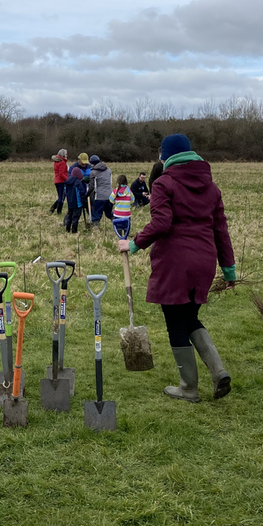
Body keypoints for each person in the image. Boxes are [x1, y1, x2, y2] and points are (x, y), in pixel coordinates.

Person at [120, 134, 236, 403]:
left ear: (167, 156)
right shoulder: (212, 187)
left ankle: (188, 388)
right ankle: (218, 372)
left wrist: (134, 244)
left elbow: (162, 223)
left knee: (175, 322)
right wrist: (229, 271)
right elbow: (221, 230)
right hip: (204, 262)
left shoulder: (164, 183)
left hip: (175, 263)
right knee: (190, 317)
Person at [63, 153, 88, 234]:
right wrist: (84, 203)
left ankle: (67, 230)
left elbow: (65, 192)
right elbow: (81, 193)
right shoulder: (78, 183)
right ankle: (74, 231)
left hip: (70, 203)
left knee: (69, 216)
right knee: (75, 218)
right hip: (78, 204)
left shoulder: (67, 183)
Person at [89, 154, 114, 225]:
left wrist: (87, 195)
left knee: (96, 214)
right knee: (109, 213)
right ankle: (117, 224)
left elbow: (92, 187)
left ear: (92, 164)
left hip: (99, 196)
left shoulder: (93, 172)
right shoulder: (108, 170)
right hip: (110, 195)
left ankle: (95, 228)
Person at [109, 174, 133, 240]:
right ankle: (125, 243)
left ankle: (120, 243)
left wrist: (114, 202)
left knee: (118, 231)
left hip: (117, 215)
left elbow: (110, 200)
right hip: (127, 215)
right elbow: (133, 200)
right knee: (126, 231)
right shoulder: (129, 191)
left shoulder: (115, 191)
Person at [49, 149, 69, 214]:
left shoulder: (56, 162)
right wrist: (68, 180)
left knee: (61, 196)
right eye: (66, 154)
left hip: (57, 181)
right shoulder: (62, 162)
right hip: (61, 181)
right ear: (63, 155)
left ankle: (53, 208)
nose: (67, 155)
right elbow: (62, 174)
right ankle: (58, 211)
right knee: (62, 198)